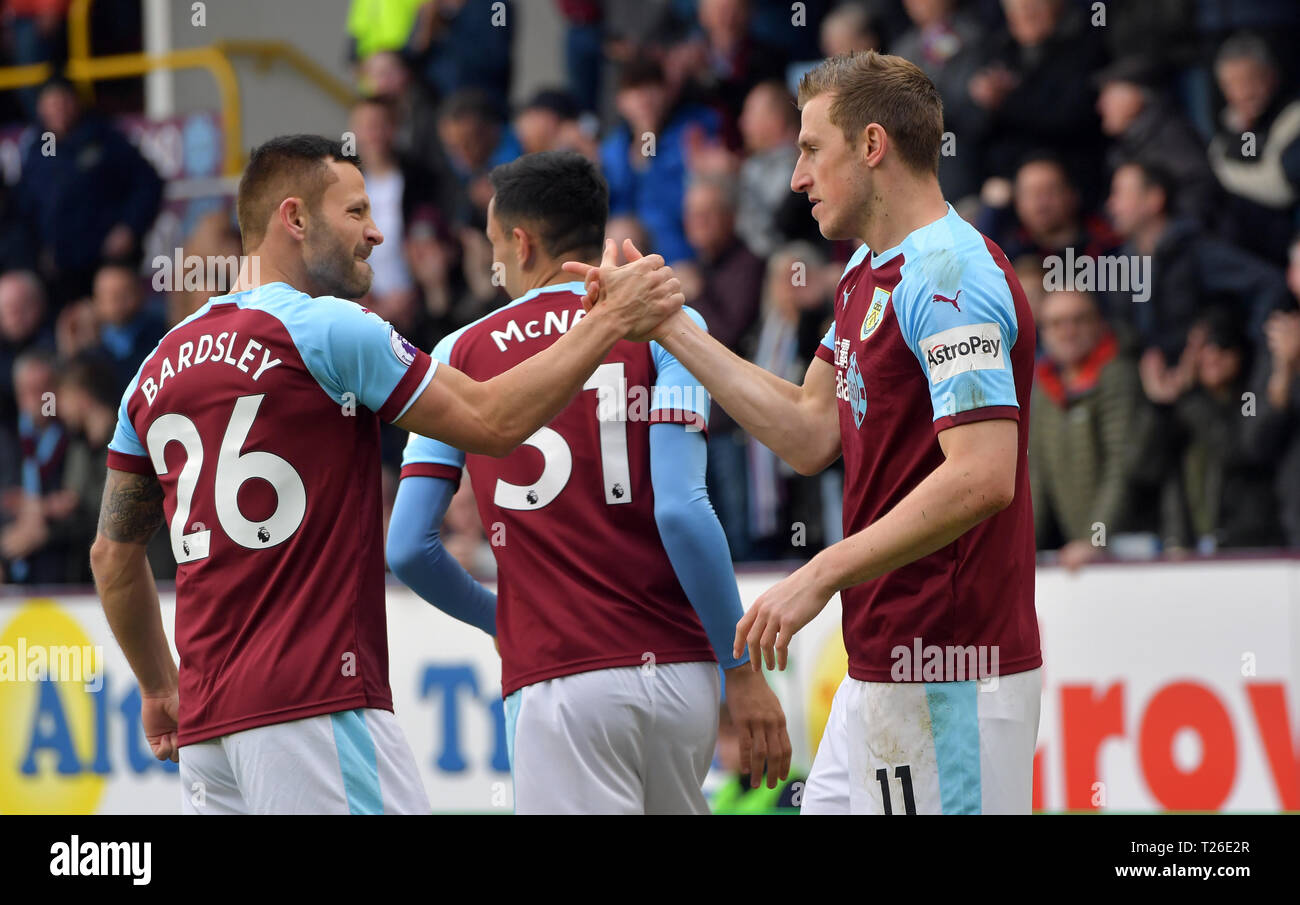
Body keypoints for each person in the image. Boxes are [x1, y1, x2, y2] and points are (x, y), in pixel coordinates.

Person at [89, 135, 684, 815]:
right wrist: (607, 320)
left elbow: (112, 555)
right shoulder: (330, 329)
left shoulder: (154, 368)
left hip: (209, 740)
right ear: (295, 218)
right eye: (356, 212)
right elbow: (491, 420)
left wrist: (161, 687)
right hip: (314, 708)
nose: (376, 232)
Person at [570, 50, 1042, 814]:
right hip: (881, 664)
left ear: (873, 145)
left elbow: (984, 474)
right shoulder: (865, 270)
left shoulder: (952, 275)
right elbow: (808, 428)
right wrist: (668, 324)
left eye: (811, 149)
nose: (796, 176)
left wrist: (822, 571)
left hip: (949, 668)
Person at [387, 151, 788, 814]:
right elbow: (684, 512)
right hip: (681, 673)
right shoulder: (665, 324)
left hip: (558, 679)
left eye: (493, 247)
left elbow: (408, 547)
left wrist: (502, 617)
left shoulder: (459, 353)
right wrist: (738, 671)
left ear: (521, 242)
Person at [1028, 289, 1142, 568]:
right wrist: (1022, 544)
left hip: (1131, 547)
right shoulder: (1043, 387)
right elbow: (1036, 476)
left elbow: (1122, 465)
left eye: (1079, 320)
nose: (1068, 331)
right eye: (1056, 323)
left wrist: (1094, 538)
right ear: (1043, 332)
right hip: (1081, 551)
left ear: (1099, 324)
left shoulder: (1118, 376)